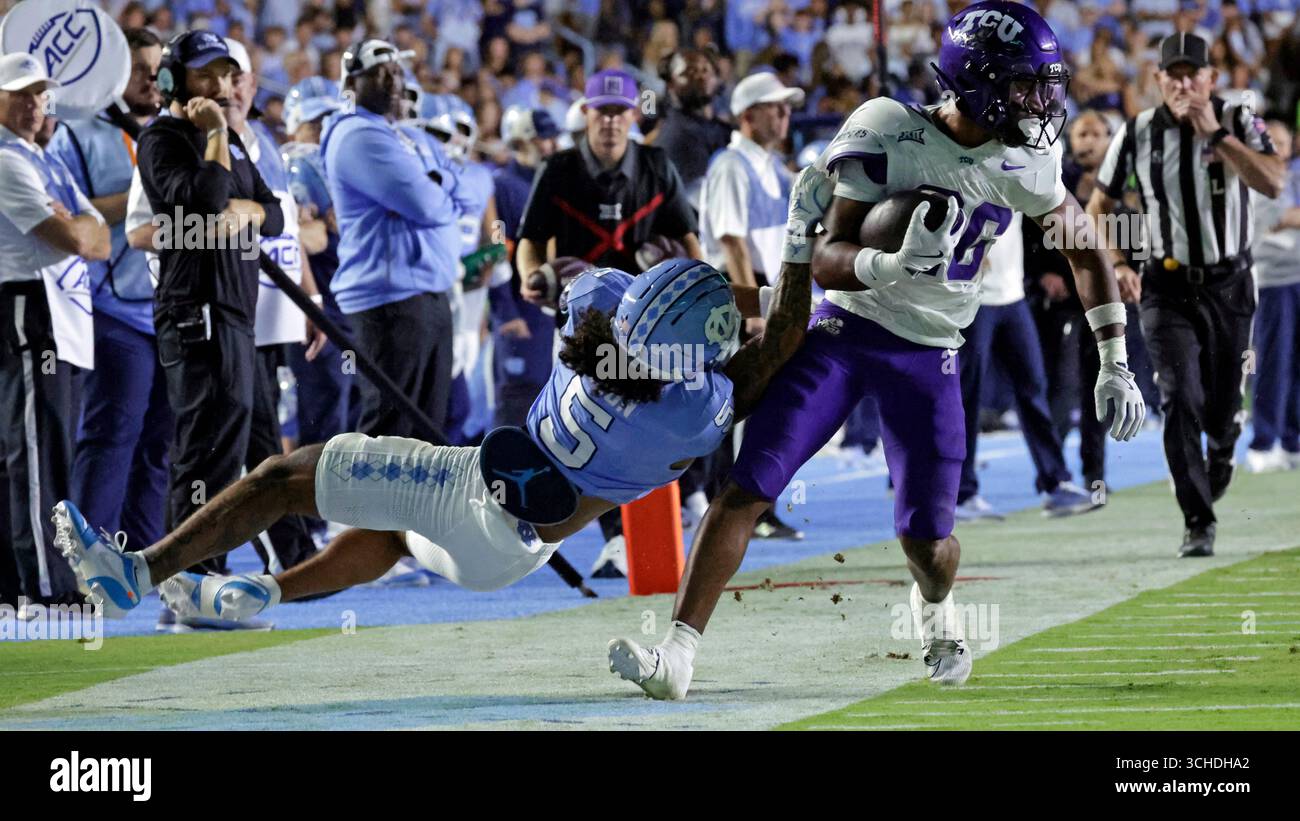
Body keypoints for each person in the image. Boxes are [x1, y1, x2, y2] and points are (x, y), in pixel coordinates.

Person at [609, 1, 1145, 700]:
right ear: (977, 82)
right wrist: (885, 268)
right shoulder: (889, 129)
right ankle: (678, 652)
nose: (1040, 102)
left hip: (930, 349)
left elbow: (1085, 250)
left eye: (1044, 84)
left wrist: (1115, 356)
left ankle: (936, 606)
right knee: (749, 481)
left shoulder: (1030, 159)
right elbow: (827, 254)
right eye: (1023, 85)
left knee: (928, 539)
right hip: (846, 329)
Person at [52, 249, 810, 628]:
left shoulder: (594, 312)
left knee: (285, 475)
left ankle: (139, 571)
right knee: (394, 538)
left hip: (476, 488)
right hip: (516, 551)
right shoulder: (696, 409)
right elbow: (779, 336)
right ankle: (262, 592)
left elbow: (569, 273)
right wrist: (795, 258)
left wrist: (549, 275)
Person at [1087, 32, 1285, 557]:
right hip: (1166, 286)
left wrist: (1217, 137)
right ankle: (1198, 521)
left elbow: (1273, 182)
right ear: (1157, 81)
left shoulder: (1241, 119)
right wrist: (1121, 262)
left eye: (1191, 73)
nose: (1181, 83)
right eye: (1171, 74)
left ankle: (1223, 446)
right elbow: (1096, 208)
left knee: (1219, 409)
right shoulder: (1135, 133)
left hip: (1231, 283)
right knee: (1179, 398)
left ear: (1210, 79)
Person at [516, 67, 702, 576]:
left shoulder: (658, 165)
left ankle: (680, 502)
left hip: (649, 327)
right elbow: (529, 238)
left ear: (632, 118)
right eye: (602, 112)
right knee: (585, 428)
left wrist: (698, 293)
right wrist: (533, 275)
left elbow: (687, 241)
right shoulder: (557, 169)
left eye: (620, 113)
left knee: (652, 421)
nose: (611, 123)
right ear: (586, 115)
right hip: (584, 322)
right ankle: (608, 536)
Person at [136, 31, 284, 580]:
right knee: (201, 452)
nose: (222, 86)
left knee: (228, 449)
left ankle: (205, 574)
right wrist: (218, 136)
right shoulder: (164, 139)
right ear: (175, 80)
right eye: (206, 75)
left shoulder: (237, 139)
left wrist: (244, 211)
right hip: (194, 310)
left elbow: (274, 212)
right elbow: (205, 198)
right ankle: (185, 582)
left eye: (226, 74)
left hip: (235, 311)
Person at [48, 29, 169, 558]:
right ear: (112, 73)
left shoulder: (174, 130)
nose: (150, 77)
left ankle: (148, 557)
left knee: (161, 445)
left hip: (171, 306)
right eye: (138, 67)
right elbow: (60, 217)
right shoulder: (73, 134)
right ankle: (87, 559)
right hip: (108, 306)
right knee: (112, 434)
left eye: (157, 67)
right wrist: (144, 196)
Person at [0, 53, 109, 614]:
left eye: (39, 95)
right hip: (29, 307)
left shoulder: (44, 159)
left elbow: (101, 238)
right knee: (36, 454)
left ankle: (23, 584)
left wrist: (80, 225)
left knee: (42, 450)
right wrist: (76, 226)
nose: (32, 105)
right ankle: (43, 588)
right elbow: (75, 240)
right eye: (20, 94)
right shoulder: (6, 160)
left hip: (58, 312)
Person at [321, 40, 461, 439]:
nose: (394, 80)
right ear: (353, 82)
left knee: (428, 432)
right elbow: (428, 205)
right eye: (380, 73)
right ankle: (367, 506)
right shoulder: (358, 135)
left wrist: (440, 183)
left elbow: (458, 182)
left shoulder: (396, 135)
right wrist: (437, 187)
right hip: (390, 301)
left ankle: (416, 505)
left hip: (424, 296)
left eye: (397, 71)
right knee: (390, 435)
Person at [697, 70, 807, 540]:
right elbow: (731, 241)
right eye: (774, 107)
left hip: (764, 292)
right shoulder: (731, 165)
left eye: (786, 107)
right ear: (747, 116)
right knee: (732, 404)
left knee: (759, 403)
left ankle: (753, 506)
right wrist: (754, 314)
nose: (785, 115)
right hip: (735, 295)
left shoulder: (769, 166)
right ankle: (729, 505)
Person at [956, 214, 1098, 521]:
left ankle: (1056, 483)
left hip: (1013, 297)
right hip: (971, 298)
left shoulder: (1018, 170)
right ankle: (961, 493)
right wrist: (962, 253)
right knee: (967, 395)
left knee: (1034, 389)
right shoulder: (964, 170)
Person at [489, 107, 559, 430]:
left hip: (548, 313)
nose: (551, 145)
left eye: (551, 137)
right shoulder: (502, 186)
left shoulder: (552, 182)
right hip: (521, 311)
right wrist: (505, 312)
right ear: (521, 141)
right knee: (516, 403)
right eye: (542, 138)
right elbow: (495, 252)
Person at [1244, 118, 1300, 473]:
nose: (1277, 148)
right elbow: (1281, 218)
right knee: (1272, 364)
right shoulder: (1255, 182)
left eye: (1283, 142)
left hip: (1298, 278)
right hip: (1271, 281)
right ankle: (1262, 442)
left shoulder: (1293, 177)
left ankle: (1292, 440)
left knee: (1296, 364)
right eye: (1271, 142)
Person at [646, 48, 732, 212]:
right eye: (690, 72)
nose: (701, 76)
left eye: (706, 70)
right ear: (671, 83)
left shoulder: (722, 128)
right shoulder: (677, 134)